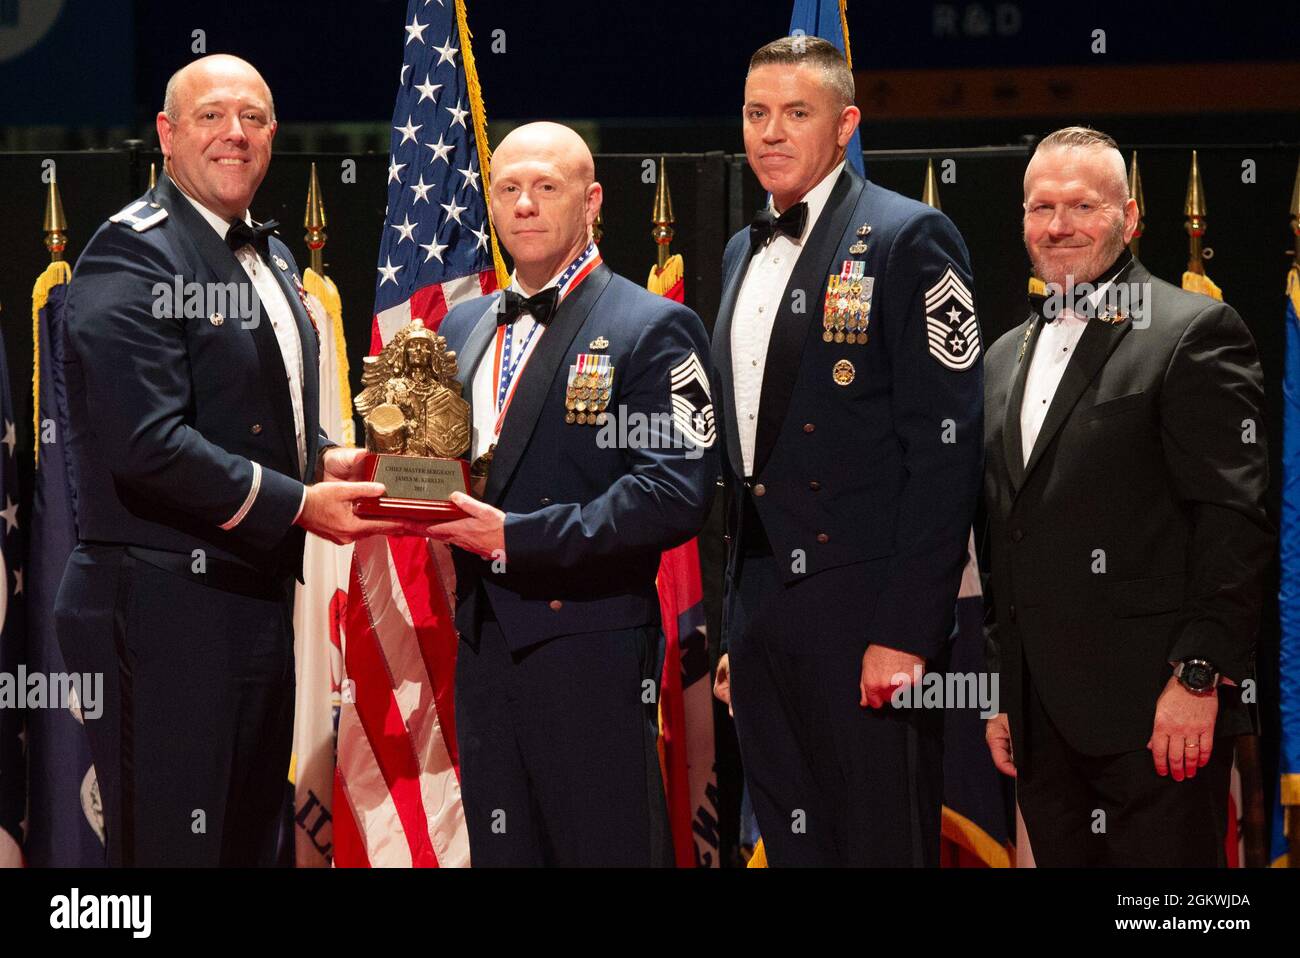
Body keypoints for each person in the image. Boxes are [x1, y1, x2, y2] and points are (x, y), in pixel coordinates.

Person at [55, 55, 406, 866]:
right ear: (167, 136)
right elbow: (147, 442)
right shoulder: (131, 253)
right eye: (211, 116)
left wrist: (328, 461)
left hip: (244, 597)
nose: (235, 134)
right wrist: (298, 503)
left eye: (252, 118)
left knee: (247, 840)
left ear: (274, 135)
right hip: (156, 600)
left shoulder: (273, 256)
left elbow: (252, 416)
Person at [710, 36, 983, 866]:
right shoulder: (738, 250)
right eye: (758, 113)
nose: (772, 132)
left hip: (868, 618)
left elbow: (946, 452)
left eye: (798, 113)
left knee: (877, 847)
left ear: (845, 124)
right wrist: (736, 629)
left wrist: (906, 632)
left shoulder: (909, 236)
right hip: (764, 617)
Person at [426, 122, 717, 866]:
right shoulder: (459, 326)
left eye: (546, 188)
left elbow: (673, 491)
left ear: (592, 202)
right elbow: (443, 471)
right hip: (483, 648)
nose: (524, 205)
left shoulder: (651, 326)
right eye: (509, 188)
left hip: (592, 649)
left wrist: (516, 538)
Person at [982, 126, 1273, 866]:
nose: (1058, 225)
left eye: (1082, 205)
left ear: (1130, 217)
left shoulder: (1192, 331)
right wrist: (1003, 688)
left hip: (1158, 711)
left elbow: (1233, 520)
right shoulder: (998, 358)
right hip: (1040, 716)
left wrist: (1200, 676)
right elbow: (1006, 531)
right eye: (1040, 207)